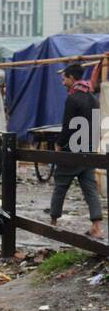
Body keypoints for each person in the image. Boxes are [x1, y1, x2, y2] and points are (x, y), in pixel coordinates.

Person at [49, 63, 103, 241]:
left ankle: (53, 222)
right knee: (90, 189)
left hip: (72, 151)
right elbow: (96, 126)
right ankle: (96, 226)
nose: (63, 82)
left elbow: (68, 126)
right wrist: (92, 149)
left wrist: (59, 144)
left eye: (64, 78)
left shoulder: (73, 98)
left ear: (72, 78)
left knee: (60, 185)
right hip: (88, 152)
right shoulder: (92, 97)